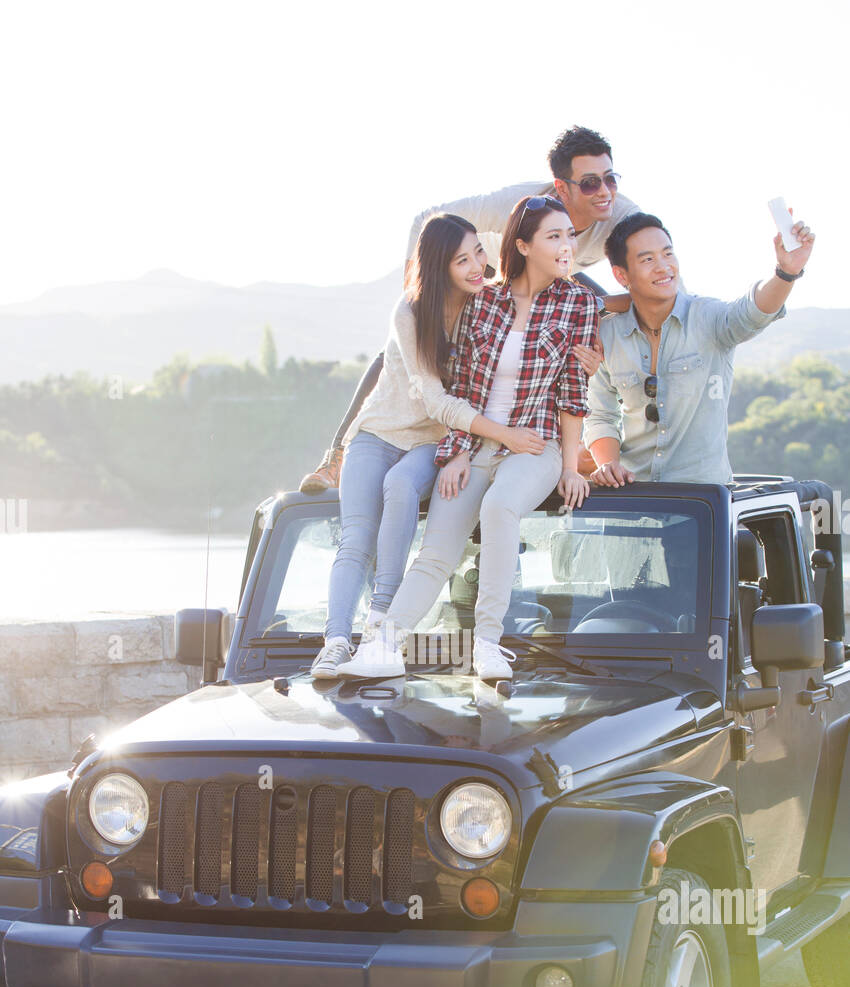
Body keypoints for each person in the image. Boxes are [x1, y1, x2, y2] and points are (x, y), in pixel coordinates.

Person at [337, 195, 600, 683]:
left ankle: (486, 644)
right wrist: (454, 453)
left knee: (500, 507)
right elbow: (462, 384)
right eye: (555, 236)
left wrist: (568, 465)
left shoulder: (579, 303)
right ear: (523, 245)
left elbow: (571, 394)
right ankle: (384, 646)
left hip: (534, 443)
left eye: (571, 236)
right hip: (475, 445)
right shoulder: (487, 301)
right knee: (437, 551)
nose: (568, 246)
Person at [300, 125, 636, 493]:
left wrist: (600, 317)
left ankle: (587, 446)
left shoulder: (620, 214)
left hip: (550, 276)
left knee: (589, 317)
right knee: (403, 344)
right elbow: (426, 219)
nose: (604, 192)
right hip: (493, 269)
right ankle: (336, 455)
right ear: (562, 187)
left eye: (610, 179)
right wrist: (420, 302)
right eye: (590, 183)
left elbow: (656, 280)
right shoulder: (518, 203)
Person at [583, 210, 816, 486]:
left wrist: (785, 273)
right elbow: (600, 414)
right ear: (621, 275)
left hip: (704, 503)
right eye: (648, 259)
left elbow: (752, 312)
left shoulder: (707, 317)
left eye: (668, 254)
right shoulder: (607, 334)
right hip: (636, 498)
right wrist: (608, 464)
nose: (663, 266)